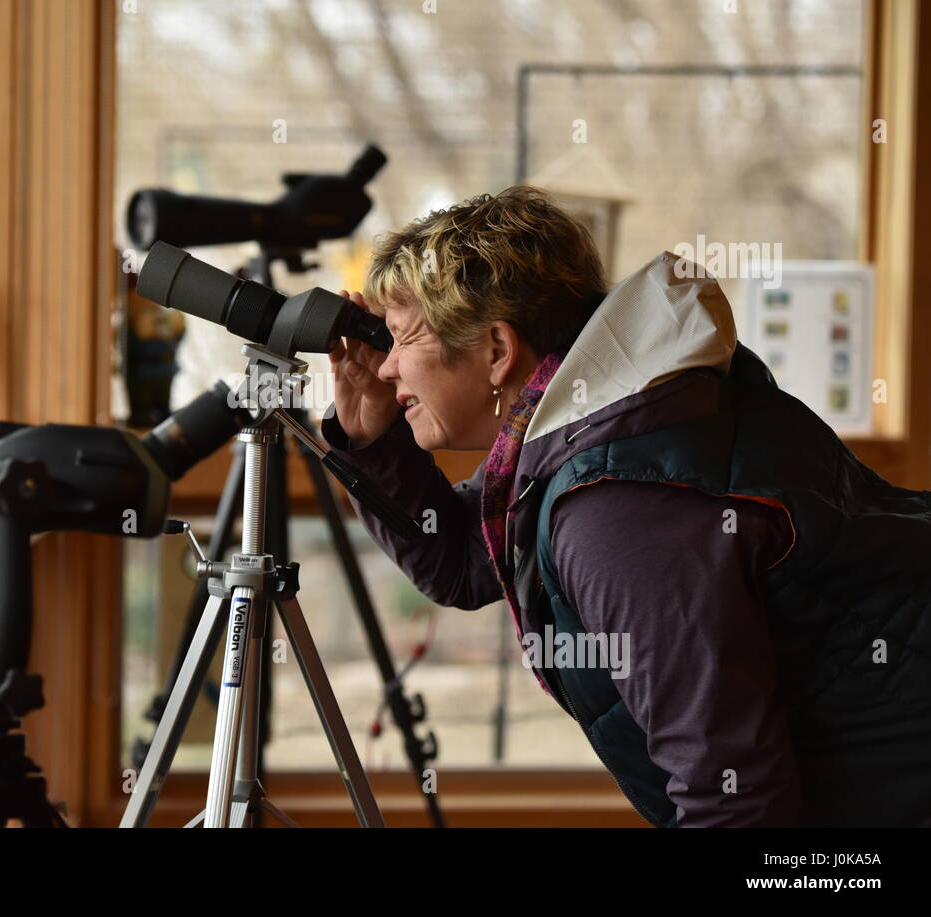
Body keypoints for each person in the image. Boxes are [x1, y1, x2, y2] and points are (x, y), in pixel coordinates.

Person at [323, 184, 931, 827]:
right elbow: (463, 560)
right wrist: (372, 435)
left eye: (400, 339)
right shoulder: (620, 419)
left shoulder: (614, 507)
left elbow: (732, 799)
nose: (387, 369)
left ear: (496, 350)